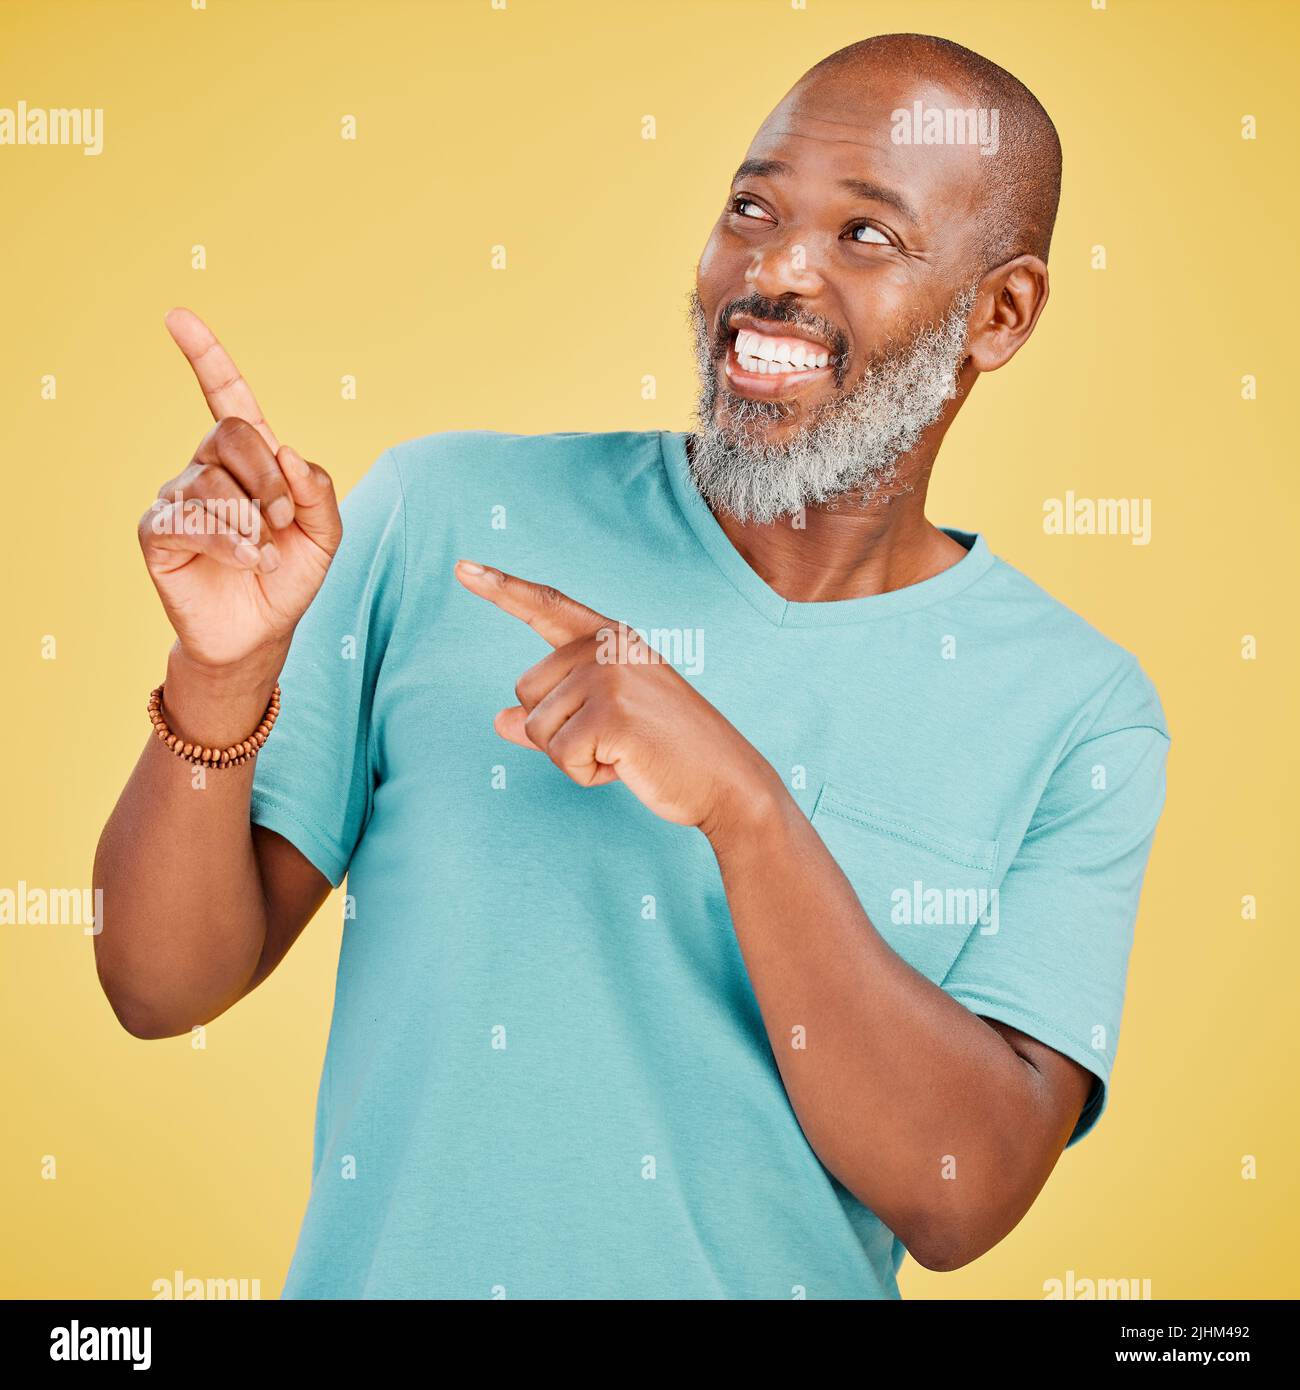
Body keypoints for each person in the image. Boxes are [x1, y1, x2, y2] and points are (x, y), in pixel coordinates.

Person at [94, 33, 1169, 1298]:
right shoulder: (446, 512)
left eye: (864, 236)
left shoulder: (1079, 708)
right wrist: (218, 673)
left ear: (1001, 313)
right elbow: (158, 985)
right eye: (750, 208)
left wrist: (742, 804)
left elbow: (961, 1194)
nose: (771, 269)